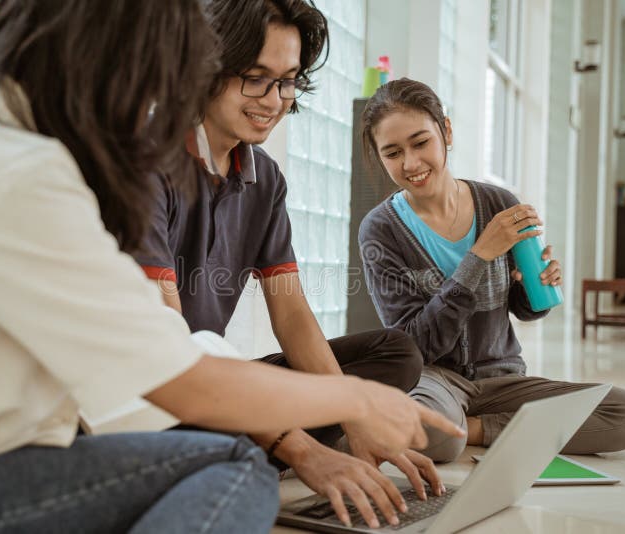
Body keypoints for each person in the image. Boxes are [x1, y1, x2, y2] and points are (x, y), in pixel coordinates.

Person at [0, 4, 464, 532]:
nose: (166, 91)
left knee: (367, 365)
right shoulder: (33, 170)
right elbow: (175, 377)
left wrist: (343, 409)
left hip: (58, 414)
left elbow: (279, 315)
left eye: (287, 80)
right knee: (236, 465)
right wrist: (351, 404)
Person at [132, 1, 442, 528]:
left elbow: (292, 314)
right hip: (161, 387)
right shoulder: (148, 163)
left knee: (393, 355)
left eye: (288, 82)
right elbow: (167, 353)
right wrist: (302, 449)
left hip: (218, 381)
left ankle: (257, 443)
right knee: (213, 431)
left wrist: (352, 410)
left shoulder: (265, 178)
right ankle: (255, 448)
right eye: (256, 79)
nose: (273, 101)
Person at [358, 78, 625, 463]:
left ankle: (474, 428)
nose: (410, 163)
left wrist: (534, 289)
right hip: (436, 379)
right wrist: (478, 257)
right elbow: (415, 344)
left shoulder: (498, 203)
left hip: (504, 378)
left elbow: (524, 308)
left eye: (420, 142)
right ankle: (497, 427)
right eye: (393, 153)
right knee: (432, 432)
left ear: (446, 131)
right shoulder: (381, 230)